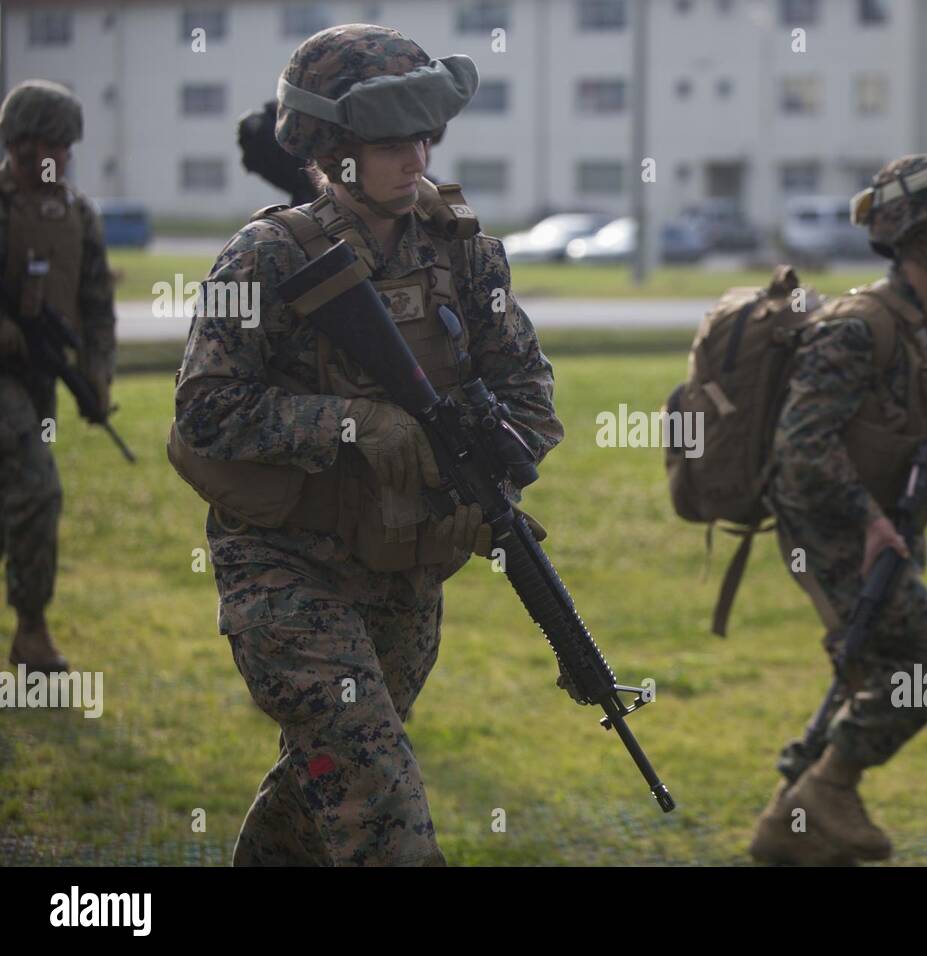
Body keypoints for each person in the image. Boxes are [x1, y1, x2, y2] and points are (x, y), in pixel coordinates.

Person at [170, 24, 564, 866]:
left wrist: (488, 462)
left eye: (426, 136)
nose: (415, 158)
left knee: (320, 797)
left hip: (404, 573)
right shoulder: (267, 257)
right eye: (390, 143)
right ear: (331, 149)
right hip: (286, 570)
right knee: (383, 808)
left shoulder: (462, 250)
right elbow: (205, 409)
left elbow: (531, 393)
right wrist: (359, 427)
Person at [749, 148, 927, 865]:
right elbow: (803, 447)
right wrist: (870, 521)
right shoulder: (858, 328)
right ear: (916, 243)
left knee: (866, 672)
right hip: (832, 527)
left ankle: (785, 826)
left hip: (890, 524)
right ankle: (828, 791)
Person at [0, 80, 117, 673]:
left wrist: (97, 373)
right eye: (38, 151)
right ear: (16, 148)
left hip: (41, 377)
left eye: (62, 151)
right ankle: (33, 629)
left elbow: (97, 303)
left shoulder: (76, 214)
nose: (53, 162)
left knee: (17, 502)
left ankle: (26, 633)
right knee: (37, 490)